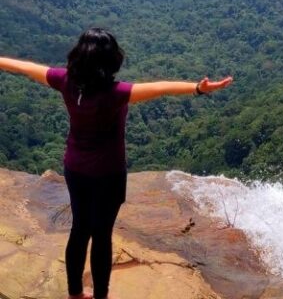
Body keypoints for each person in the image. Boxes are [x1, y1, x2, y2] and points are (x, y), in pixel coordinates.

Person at [0, 28, 233, 299]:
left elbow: (26, 68)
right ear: (111, 60)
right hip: (108, 174)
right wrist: (197, 89)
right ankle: (100, 296)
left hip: (75, 169)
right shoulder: (116, 93)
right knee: (102, 235)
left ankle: (74, 293)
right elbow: (160, 89)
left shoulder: (65, 80)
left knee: (79, 229)